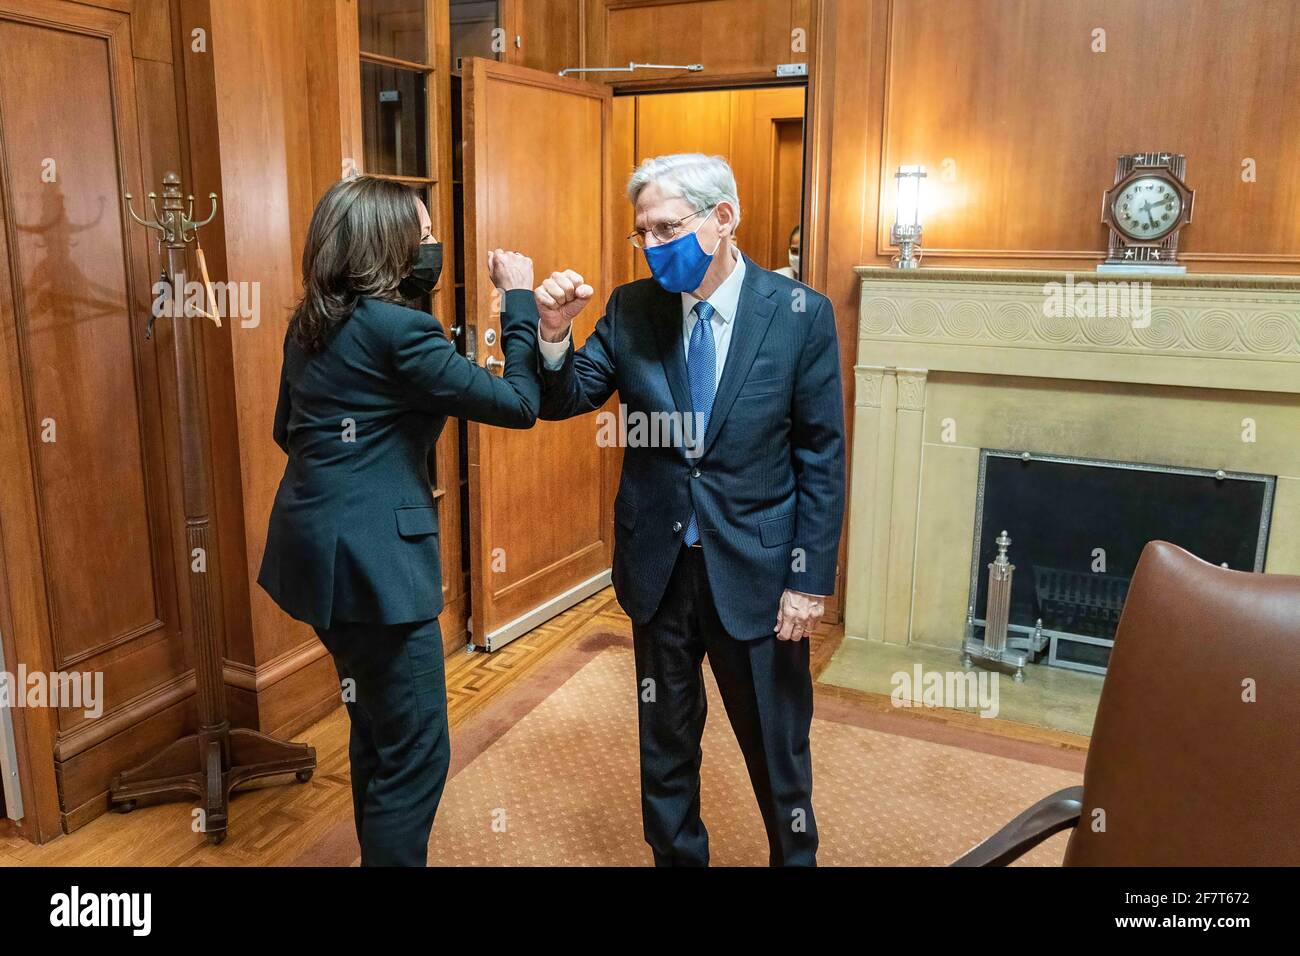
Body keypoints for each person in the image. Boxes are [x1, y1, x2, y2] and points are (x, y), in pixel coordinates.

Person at [533, 153, 845, 866]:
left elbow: (822, 459)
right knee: (665, 745)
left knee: (777, 748)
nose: (651, 246)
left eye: (667, 227)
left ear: (722, 218)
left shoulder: (799, 315)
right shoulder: (632, 307)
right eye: (641, 233)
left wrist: (808, 580)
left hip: (761, 574)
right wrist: (552, 332)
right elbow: (566, 398)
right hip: (661, 568)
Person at [257, 175, 539, 866]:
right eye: (423, 231)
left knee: (376, 727)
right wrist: (520, 304)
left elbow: (285, 431)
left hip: (311, 556)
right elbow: (519, 404)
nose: (433, 243)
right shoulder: (401, 330)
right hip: (375, 567)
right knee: (416, 753)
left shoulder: (314, 320)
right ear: (386, 245)